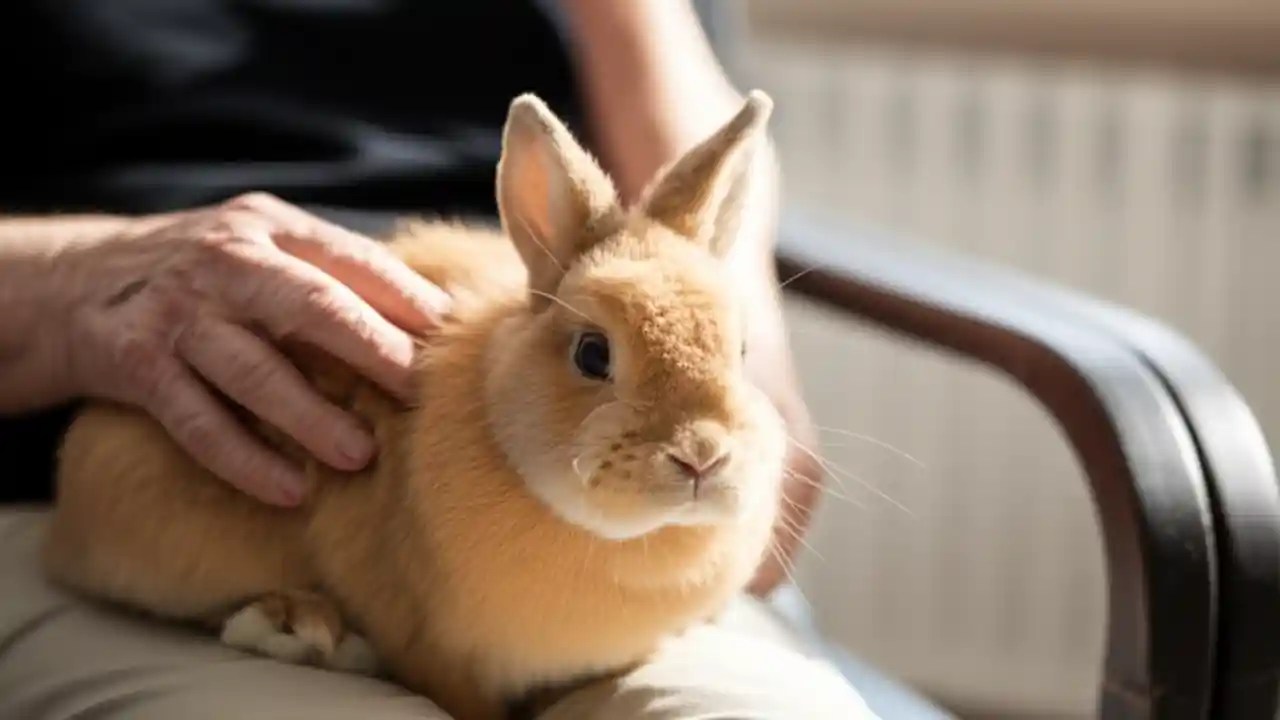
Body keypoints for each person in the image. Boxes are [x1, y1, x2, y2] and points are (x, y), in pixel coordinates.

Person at [0, 2, 872, 718]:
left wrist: (751, 376)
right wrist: (78, 283)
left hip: (574, 413)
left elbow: (682, 157)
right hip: (135, 446)